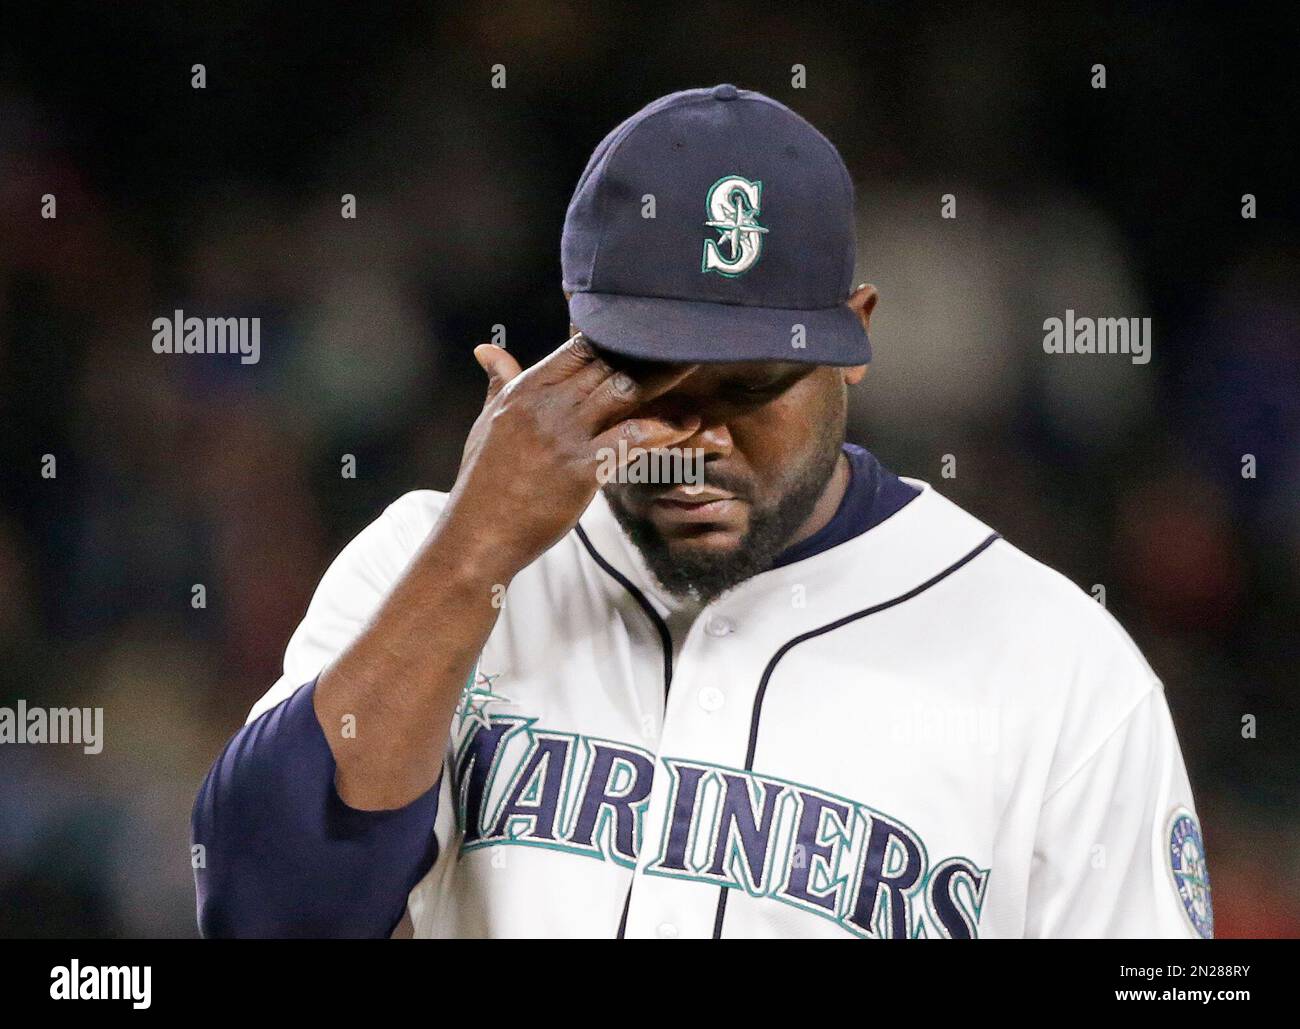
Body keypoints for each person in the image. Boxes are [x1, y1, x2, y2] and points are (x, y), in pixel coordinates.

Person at [192, 85, 1212, 939]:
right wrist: (474, 553)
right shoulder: (427, 562)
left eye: (746, 391)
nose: (695, 440)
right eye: (650, 382)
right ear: (574, 332)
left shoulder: (1058, 668)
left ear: (850, 337)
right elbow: (263, 912)